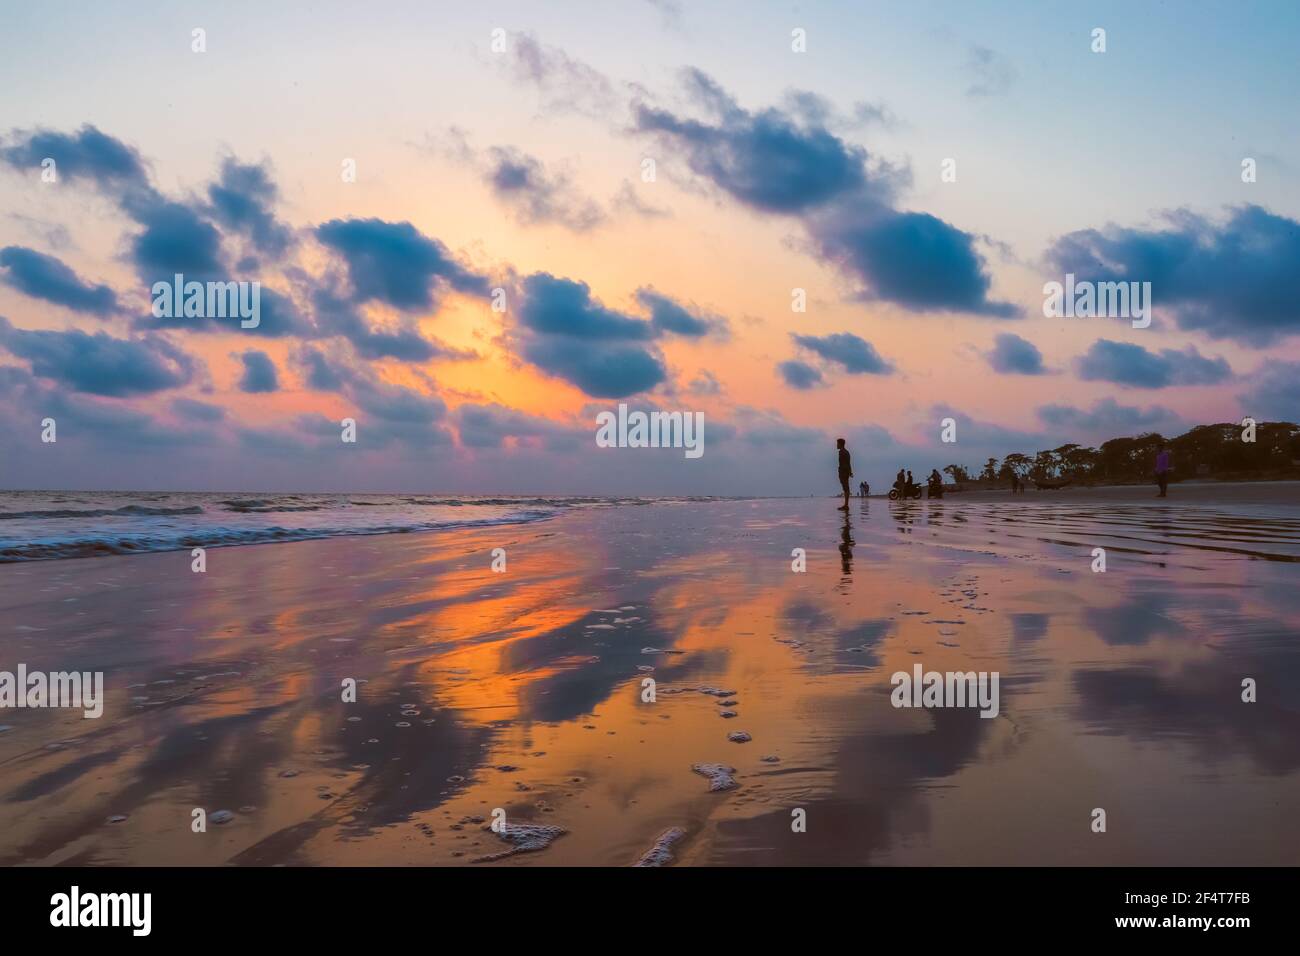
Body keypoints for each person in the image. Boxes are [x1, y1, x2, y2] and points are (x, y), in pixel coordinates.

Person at [836, 438, 853, 510]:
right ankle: (846, 505)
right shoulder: (846, 452)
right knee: (846, 488)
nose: (836, 445)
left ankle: (846, 505)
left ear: (840, 444)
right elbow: (849, 463)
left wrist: (844, 472)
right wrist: (850, 472)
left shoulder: (842, 452)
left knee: (846, 488)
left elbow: (845, 463)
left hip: (844, 472)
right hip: (845, 471)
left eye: (837, 444)